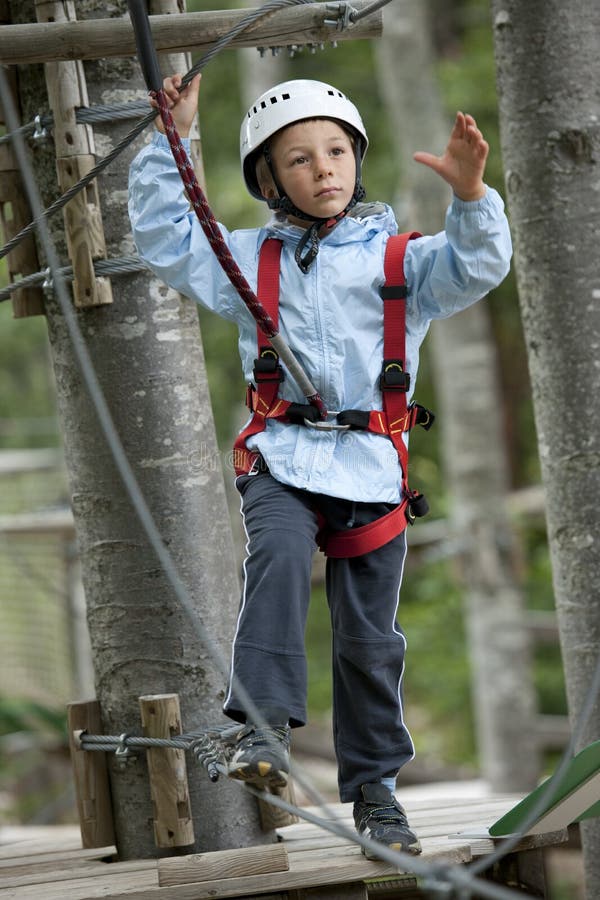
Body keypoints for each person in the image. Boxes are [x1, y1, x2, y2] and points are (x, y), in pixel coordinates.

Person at [128, 74, 512, 858]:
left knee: (371, 640)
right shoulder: (248, 265)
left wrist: (472, 196)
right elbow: (169, 238)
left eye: (336, 151)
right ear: (271, 180)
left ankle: (376, 793)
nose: (324, 169)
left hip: (373, 468)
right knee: (273, 557)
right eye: (300, 159)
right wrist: (168, 141)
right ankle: (263, 731)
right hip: (286, 458)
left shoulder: (403, 262)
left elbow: (479, 266)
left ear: (356, 159)